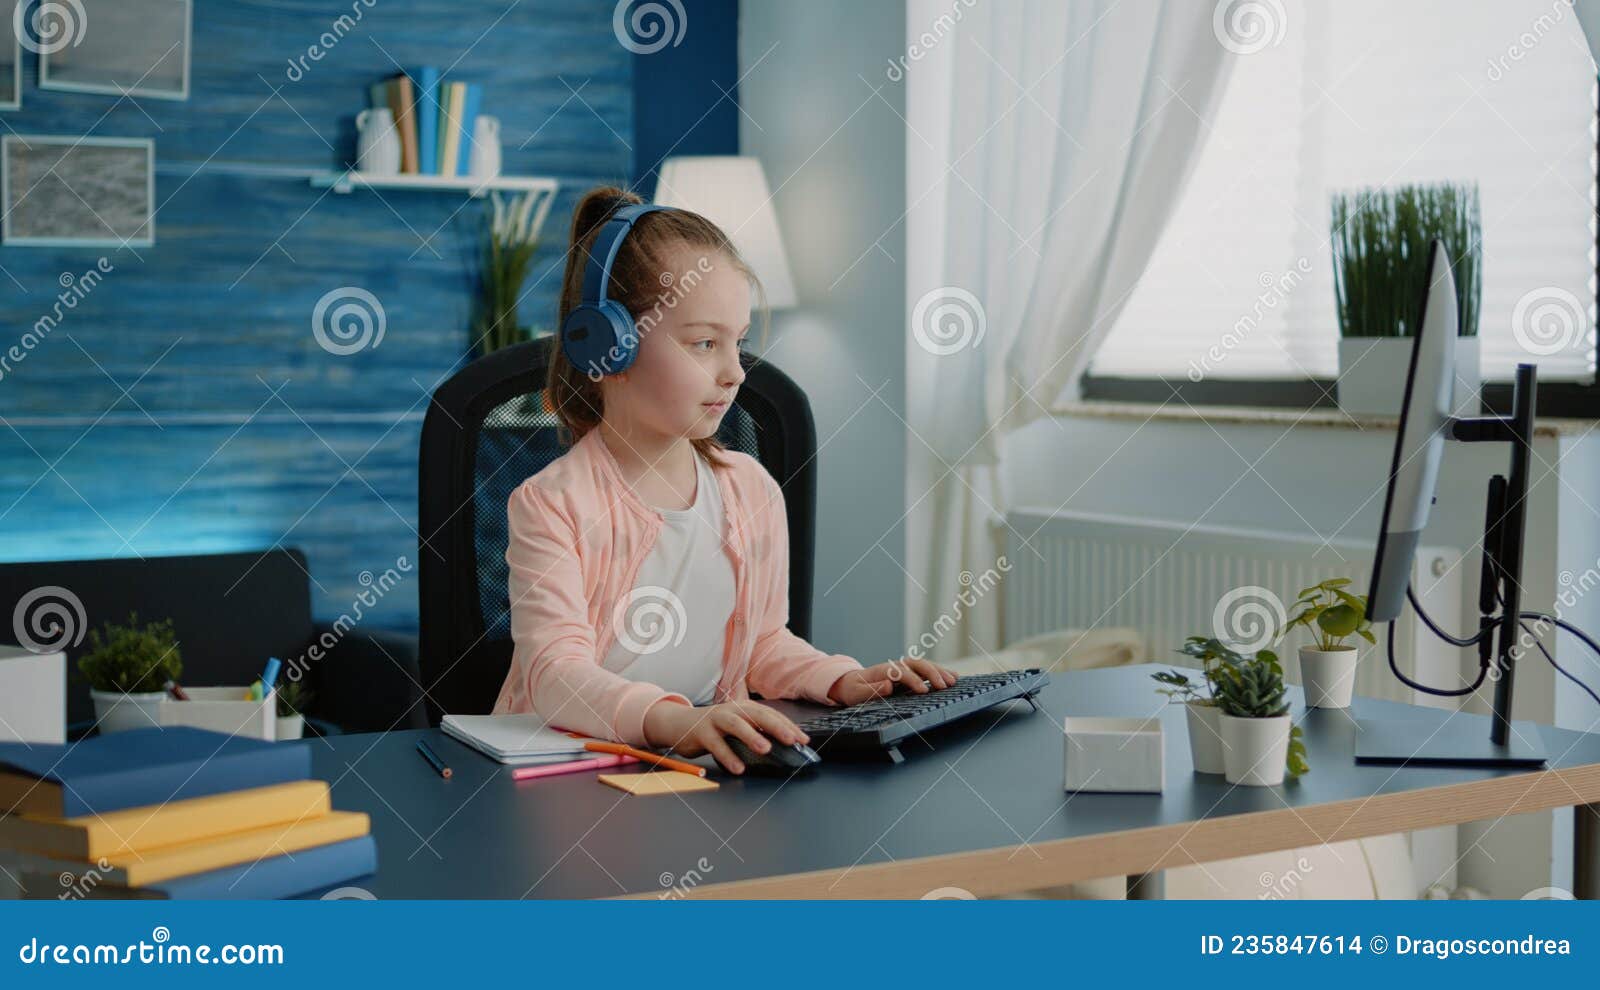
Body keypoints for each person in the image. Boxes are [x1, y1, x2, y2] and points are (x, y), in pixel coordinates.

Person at [491, 186, 955, 774]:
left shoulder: (749, 489)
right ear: (610, 346)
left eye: (738, 343)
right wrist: (677, 722)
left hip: (701, 761)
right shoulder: (551, 504)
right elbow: (556, 676)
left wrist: (842, 680)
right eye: (705, 343)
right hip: (568, 769)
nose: (735, 371)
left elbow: (764, 643)